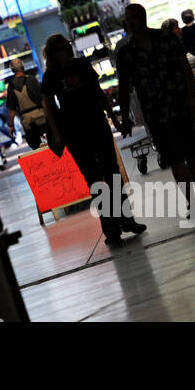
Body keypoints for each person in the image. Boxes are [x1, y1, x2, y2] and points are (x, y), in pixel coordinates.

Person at [40, 34, 146, 245]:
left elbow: (99, 93)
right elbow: (48, 107)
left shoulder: (82, 65)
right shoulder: (51, 76)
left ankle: (126, 219)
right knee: (94, 179)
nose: (69, 49)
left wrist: (113, 119)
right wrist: (58, 134)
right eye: (64, 47)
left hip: (97, 124)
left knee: (112, 173)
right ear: (55, 53)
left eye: (68, 45)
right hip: (74, 132)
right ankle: (110, 227)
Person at [115, 4, 195, 218]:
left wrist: (191, 95)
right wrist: (124, 118)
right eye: (127, 19)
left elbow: (184, 66)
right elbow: (124, 86)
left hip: (180, 102)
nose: (130, 23)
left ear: (143, 18)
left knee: (191, 151)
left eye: (133, 18)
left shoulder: (166, 37)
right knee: (174, 158)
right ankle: (193, 202)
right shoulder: (126, 53)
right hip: (154, 111)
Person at [162, 19, 195, 157]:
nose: (179, 29)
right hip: (188, 90)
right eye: (176, 27)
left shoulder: (179, 45)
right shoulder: (170, 49)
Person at [4, 58, 48, 149]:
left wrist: (11, 126)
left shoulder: (11, 85)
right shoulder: (32, 79)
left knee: (36, 147)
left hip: (27, 122)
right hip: (41, 117)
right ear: (23, 67)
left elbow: (12, 110)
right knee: (51, 142)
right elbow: (43, 100)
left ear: (12, 70)